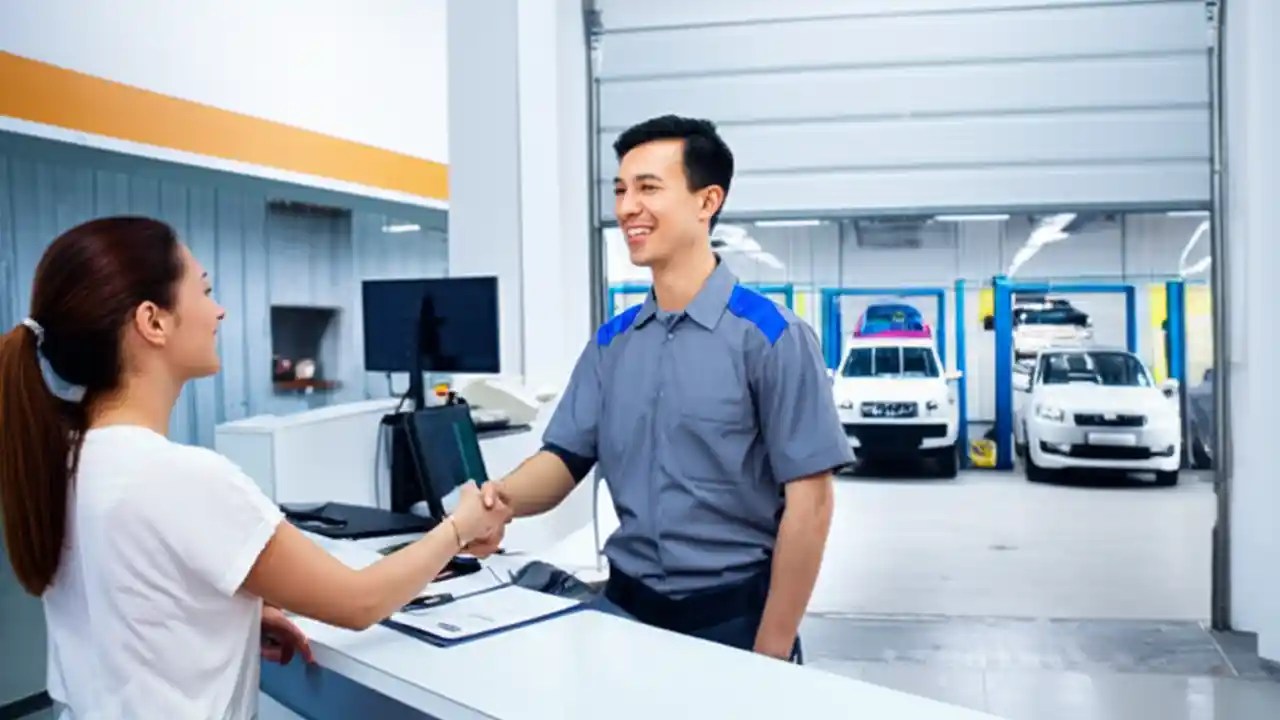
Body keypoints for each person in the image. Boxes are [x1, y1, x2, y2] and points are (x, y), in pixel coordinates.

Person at [0, 217, 511, 719]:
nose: (218, 311)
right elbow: (358, 602)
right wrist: (460, 526)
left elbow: (123, 604)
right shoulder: (181, 477)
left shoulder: (69, 459)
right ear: (153, 321)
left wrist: (234, 618)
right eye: (204, 291)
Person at [471, 115, 853, 659]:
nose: (627, 207)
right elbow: (564, 458)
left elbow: (810, 506)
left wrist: (772, 647)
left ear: (707, 201)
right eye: (621, 190)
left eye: (649, 188)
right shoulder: (613, 343)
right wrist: (498, 502)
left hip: (734, 618)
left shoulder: (772, 338)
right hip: (625, 611)